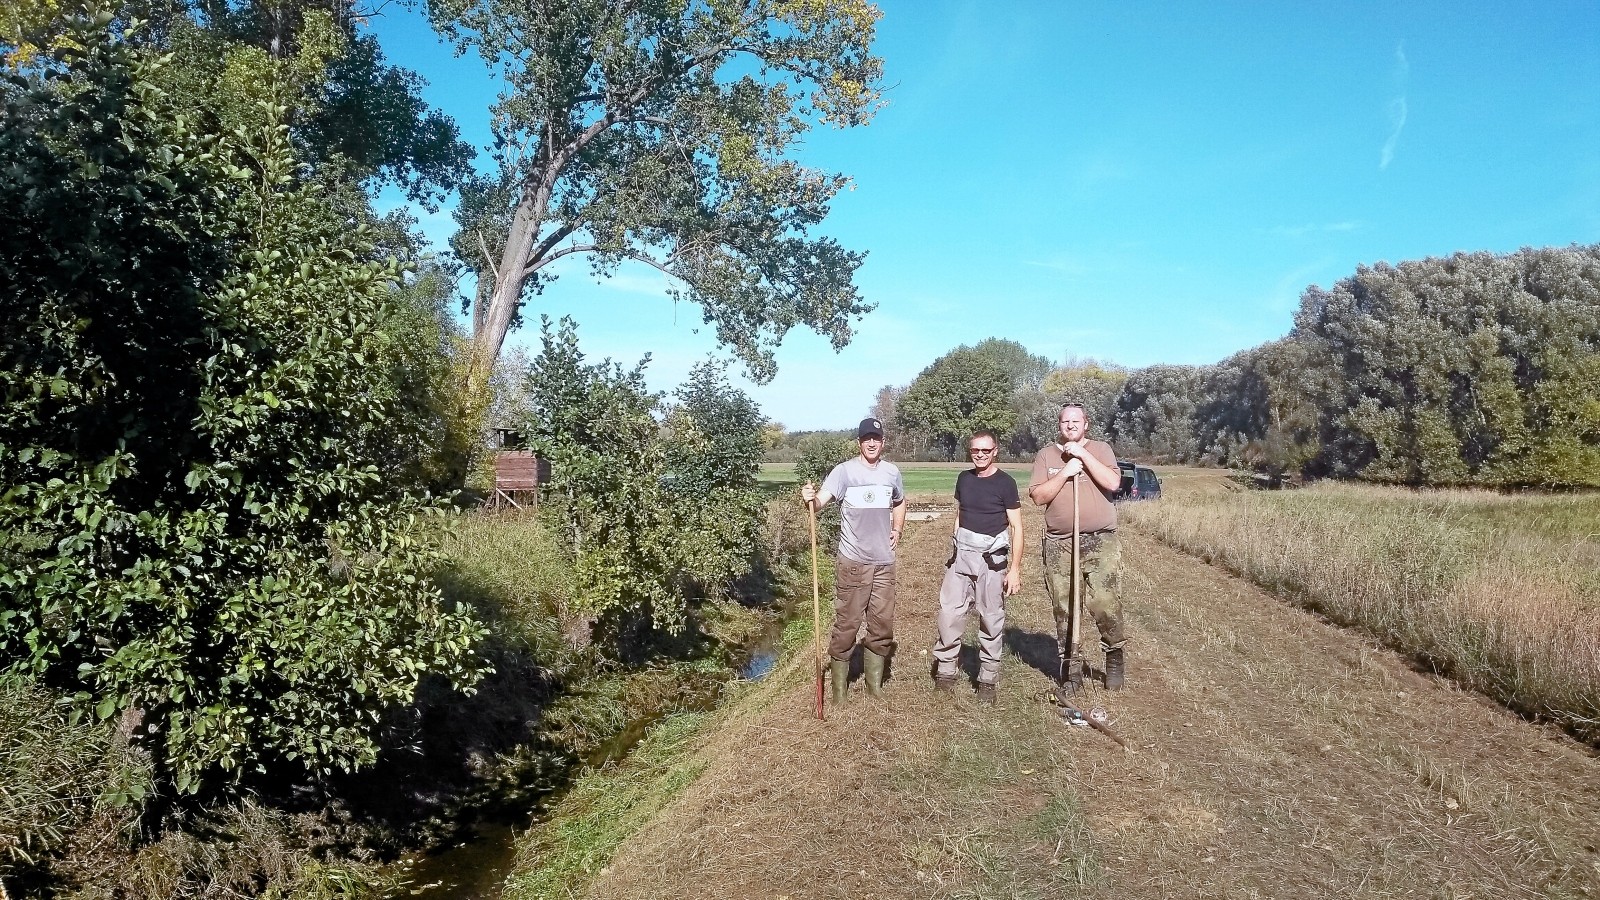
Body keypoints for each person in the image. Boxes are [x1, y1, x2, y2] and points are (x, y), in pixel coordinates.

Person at [800, 417, 907, 703]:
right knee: (847, 625)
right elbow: (821, 501)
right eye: (866, 438)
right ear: (859, 442)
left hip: (885, 563)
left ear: (883, 442)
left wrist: (897, 528)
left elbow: (899, 501)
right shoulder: (844, 472)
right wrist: (810, 499)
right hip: (854, 563)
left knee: (882, 625)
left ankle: (874, 688)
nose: (872, 442)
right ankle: (839, 693)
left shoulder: (892, 472)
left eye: (877, 438)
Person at [1027, 404, 1127, 697]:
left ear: (1086, 424)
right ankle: (1071, 670)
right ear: (1059, 424)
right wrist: (1065, 472)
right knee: (1065, 607)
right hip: (1060, 543)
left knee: (1105, 602)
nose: (1070, 425)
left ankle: (1114, 657)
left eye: (1076, 420)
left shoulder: (1101, 448)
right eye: (1065, 421)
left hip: (1100, 540)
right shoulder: (1046, 455)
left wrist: (1082, 455)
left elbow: (1113, 482)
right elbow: (1038, 496)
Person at [932, 430, 1022, 704]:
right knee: (949, 614)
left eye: (985, 450)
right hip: (962, 557)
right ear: (969, 452)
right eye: (975, 450)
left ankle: (987, 679)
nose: (980, 455)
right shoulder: (964, 479)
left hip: (991, 562)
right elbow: (960, 515)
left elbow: (1017, 527)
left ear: (995, 451)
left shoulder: (1006, 483)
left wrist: (1014, 569)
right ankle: (946, 672)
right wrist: (954, 546)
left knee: (991, 619)